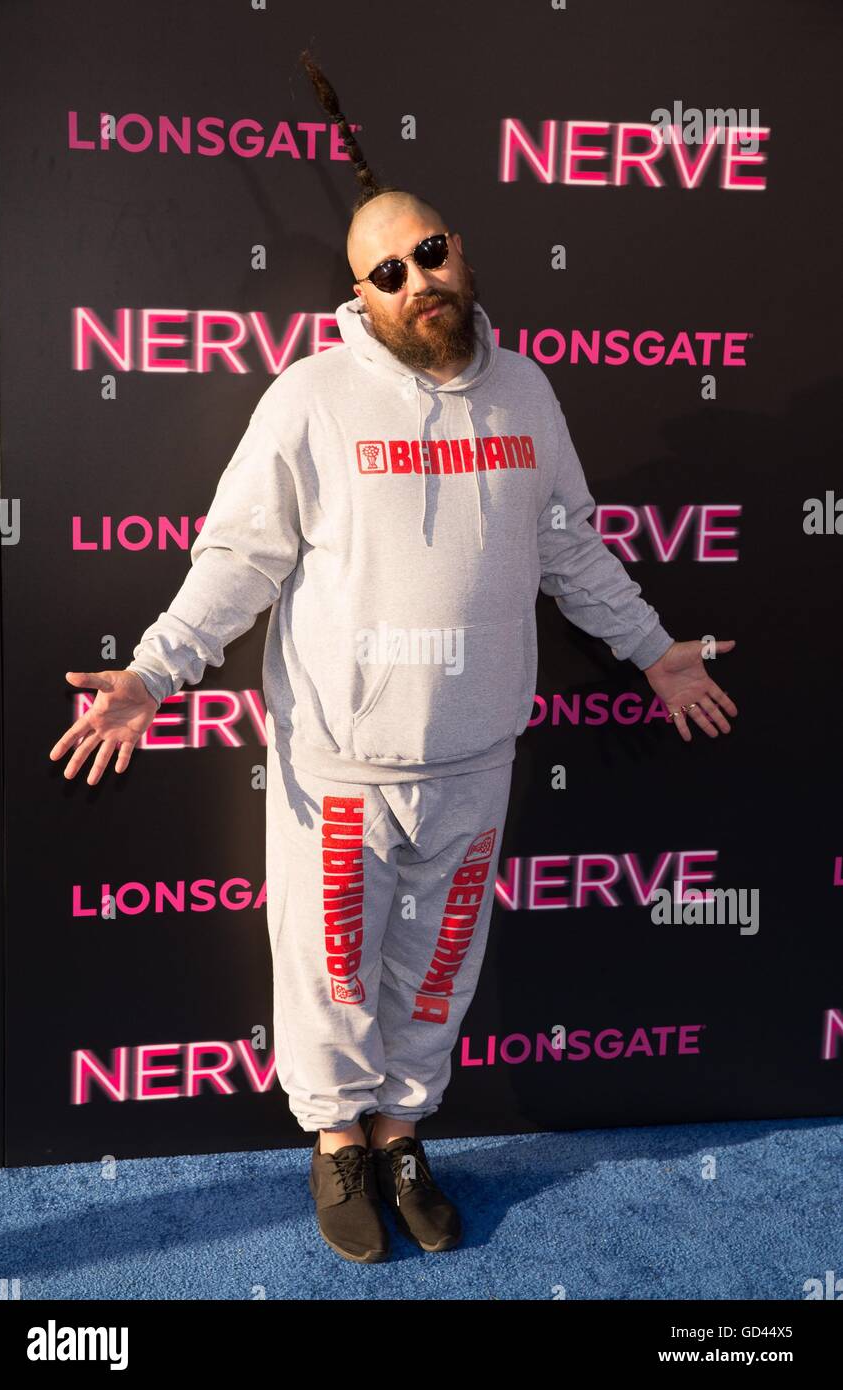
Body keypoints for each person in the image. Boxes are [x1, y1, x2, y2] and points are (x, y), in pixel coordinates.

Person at [49, 68, 738, 1266]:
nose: (417, 282)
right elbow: (237, 560)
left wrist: (651, 651)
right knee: (327, 979)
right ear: (357, 298)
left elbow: (570, 547)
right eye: (387, 272)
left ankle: (403, 1135)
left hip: (475, 762)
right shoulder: (309, 401)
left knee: (435, 971)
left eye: (429, 254)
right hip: (340, 774)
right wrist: (155, 674)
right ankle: (335, 1148)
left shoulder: (525, 389)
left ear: (457, 252)